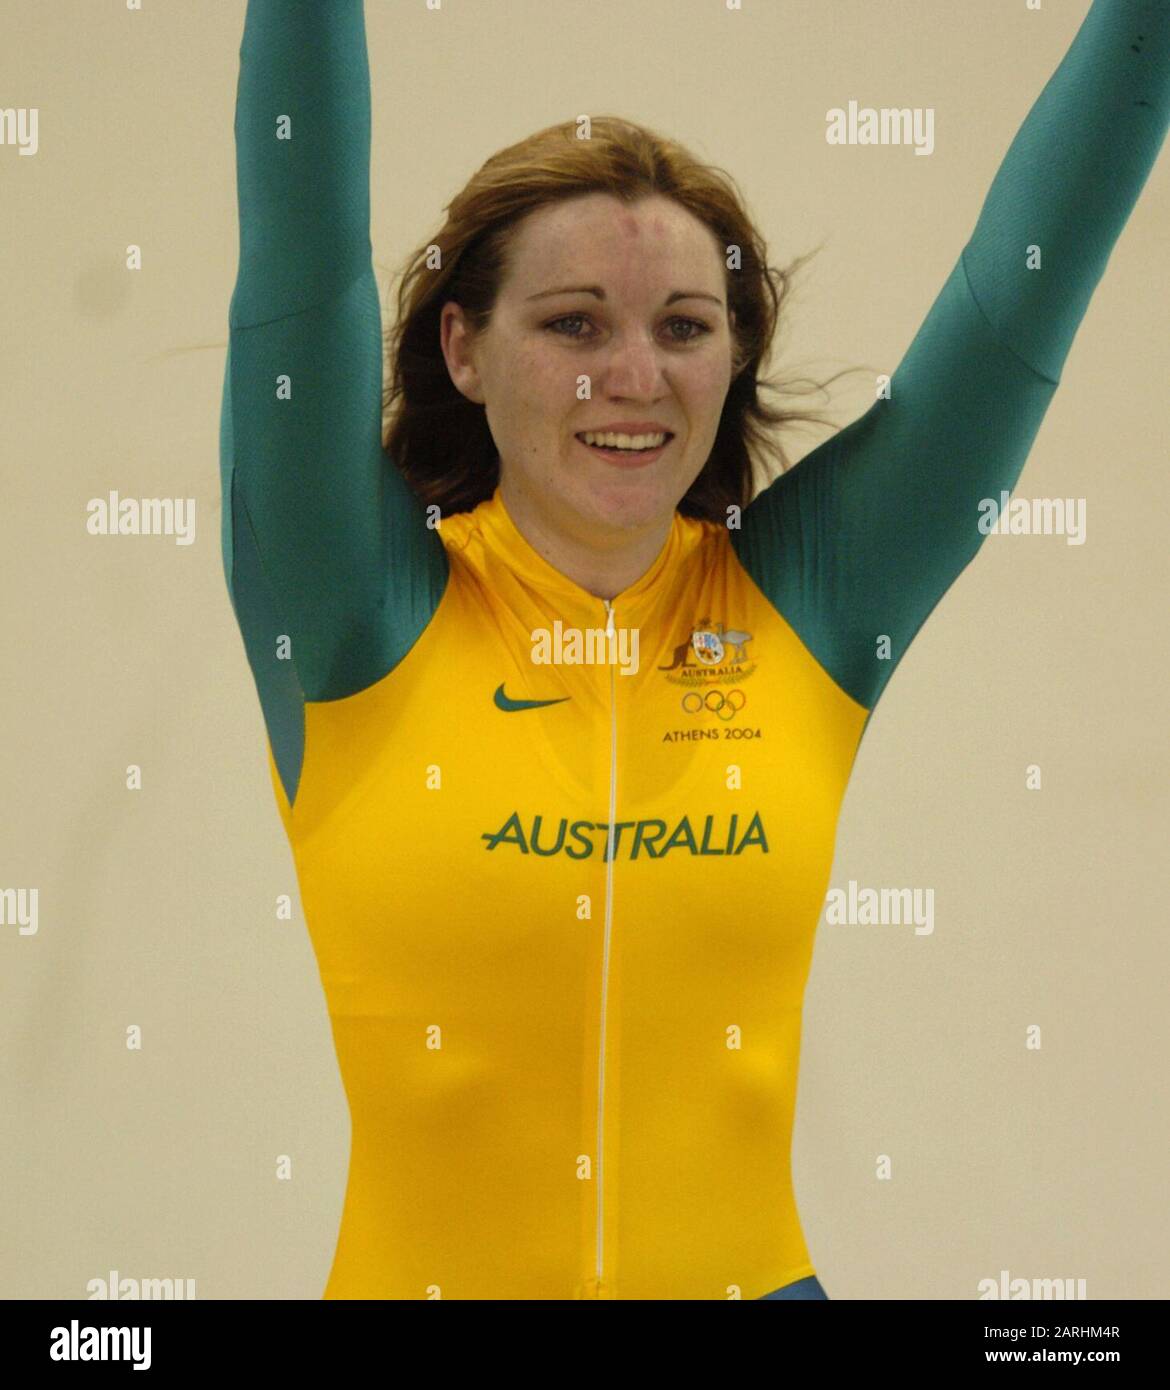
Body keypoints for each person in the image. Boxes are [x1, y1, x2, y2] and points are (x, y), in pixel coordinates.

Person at [220, 0, 1169, 1300]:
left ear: (731, 359)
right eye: (571, 325)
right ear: (464, 348)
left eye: (682, 326)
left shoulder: (816, 605)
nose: (635, 373)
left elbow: (1025, 288)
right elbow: (299, 245)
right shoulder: (351, 614)